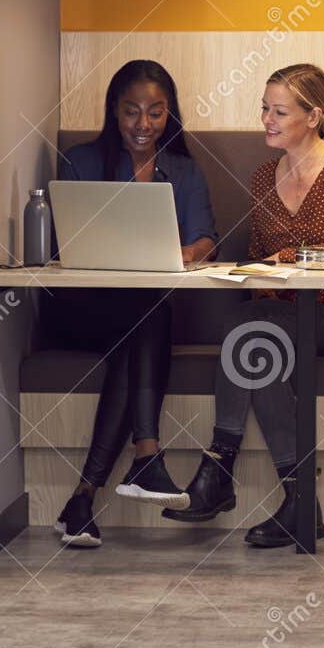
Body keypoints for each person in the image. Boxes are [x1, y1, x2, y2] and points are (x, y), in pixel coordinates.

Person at [163, 64, 324, 548]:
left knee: (249, 331)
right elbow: (262, 252)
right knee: (255, 343)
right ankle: (300, 503)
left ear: (313, 115)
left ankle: (218, 470)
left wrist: (288, 258)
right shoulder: (265, 176)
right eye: (265, 108)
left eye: (280, 111)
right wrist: (252, 273)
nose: (266, 119)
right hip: (279, 321)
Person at [49, 60, 218, 549]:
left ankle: (82, 500)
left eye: (156, 113)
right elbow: (68, 243)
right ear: (114, 112)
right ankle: (146, 457)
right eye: (132, 112)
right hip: (82, 312)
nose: (144, 124)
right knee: (148, 319)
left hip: (141, 317)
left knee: (144, 323)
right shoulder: (81, 162)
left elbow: (207, 237)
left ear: (170, 115)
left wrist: (180, 253)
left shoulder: (184, 171)